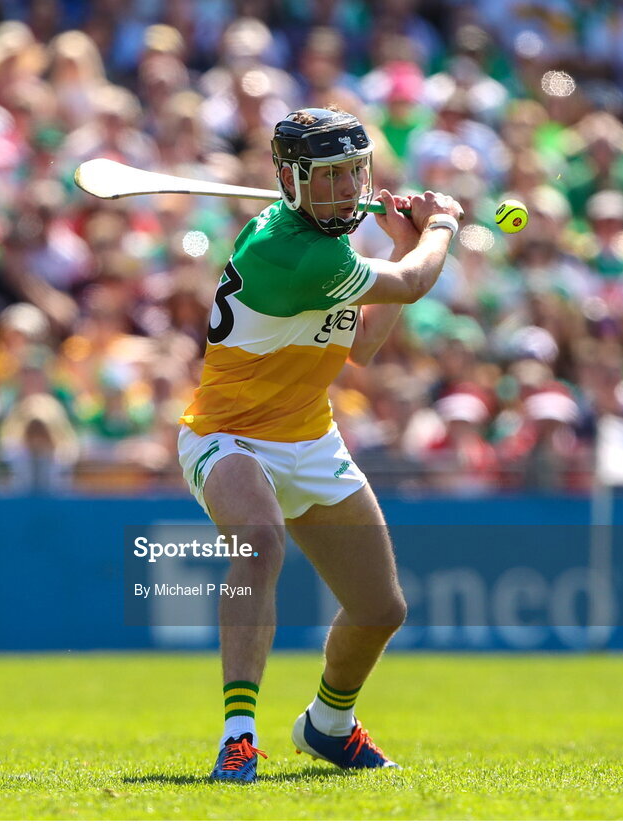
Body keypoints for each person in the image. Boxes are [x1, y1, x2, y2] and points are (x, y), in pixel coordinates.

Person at [175, 106, 463, 781]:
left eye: (353, 173)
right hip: (228, 434)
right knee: (260, 541)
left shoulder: (322, 246)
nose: (346, 189)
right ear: (290, 180)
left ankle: (329, 724)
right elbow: (415, 284)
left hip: (310, 436)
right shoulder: (298, 251)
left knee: (380, 609)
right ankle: (239, 735)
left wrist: (400, 246)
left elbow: (361, 345)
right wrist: (441, 226)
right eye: (328, 176)